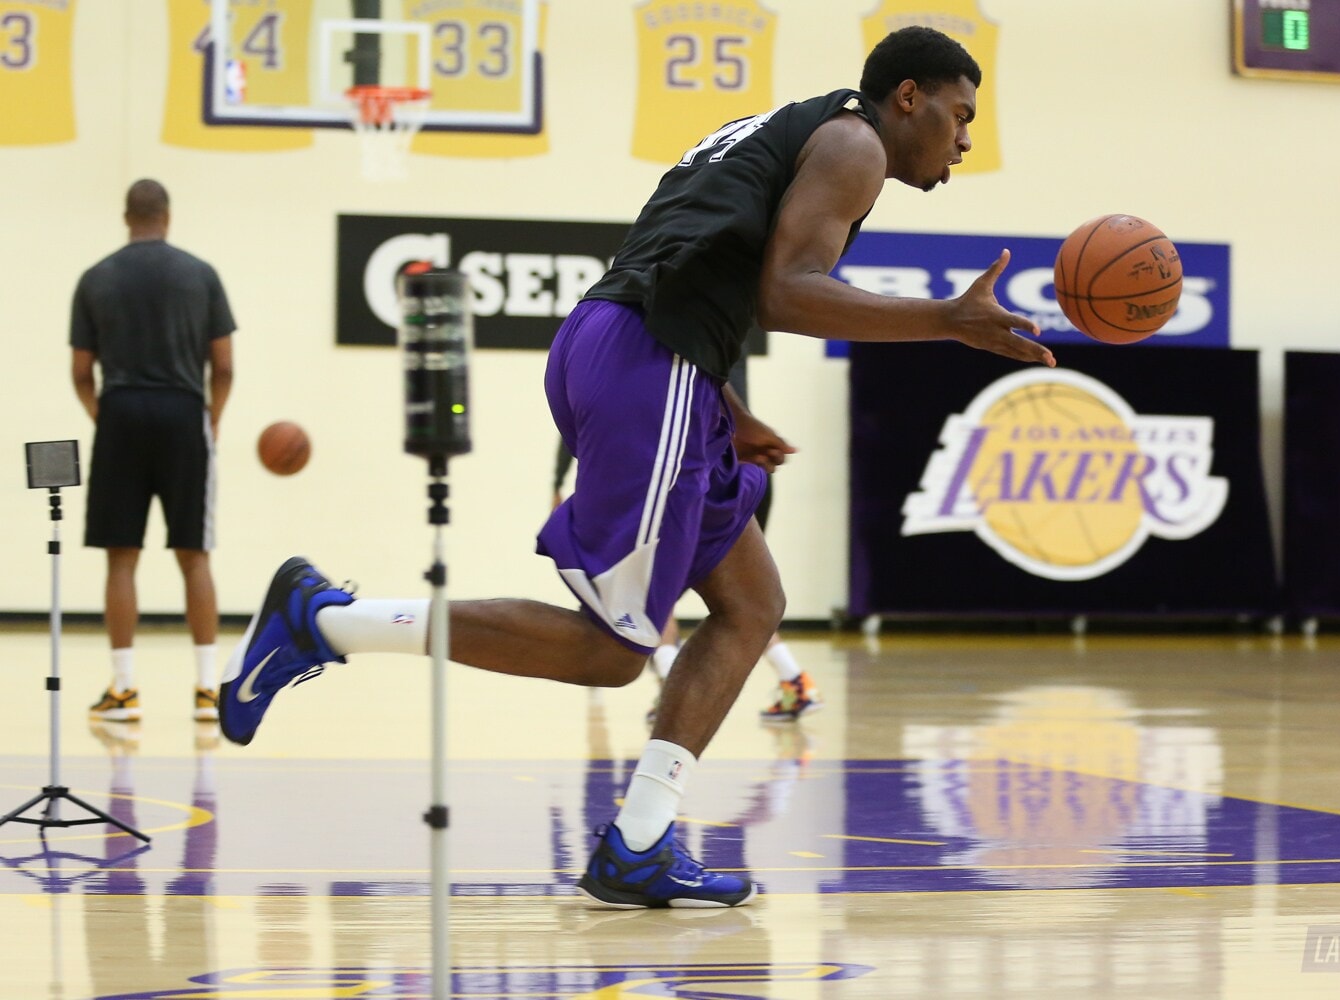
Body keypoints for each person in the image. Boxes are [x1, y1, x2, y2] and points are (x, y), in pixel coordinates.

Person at [217, 26, 1053, 909]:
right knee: (618, 650)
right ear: (908, 98)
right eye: (960, 116)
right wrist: (944, 321)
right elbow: (783, 292)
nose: (965, 139)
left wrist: (723, 411)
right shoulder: (853, 144)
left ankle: (639, 844)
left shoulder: (780, 129)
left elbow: (688, 265)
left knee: (751, 605)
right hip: (646, 363)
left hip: (640, 354)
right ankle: (327, 619)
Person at [551, 354, 822, 724]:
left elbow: (586, 407)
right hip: (751, 470)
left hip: (705, 472)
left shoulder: (649, 337)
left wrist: (558, 479)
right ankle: (794, 678)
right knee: (745, 597)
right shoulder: (719, 328)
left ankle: (668, 685)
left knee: (651, 589)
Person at [71, 179, 235, 725]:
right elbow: (225, 365)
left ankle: (124, 690)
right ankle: (209, 690)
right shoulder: (200, 274)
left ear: (127, 217)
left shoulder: (95, 277)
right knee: (194, 555)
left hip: (120, 411)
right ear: (167, 215)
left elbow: (80, 372)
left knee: (122, 557)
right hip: (184, 413)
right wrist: (207, 421)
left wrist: (107, 418)